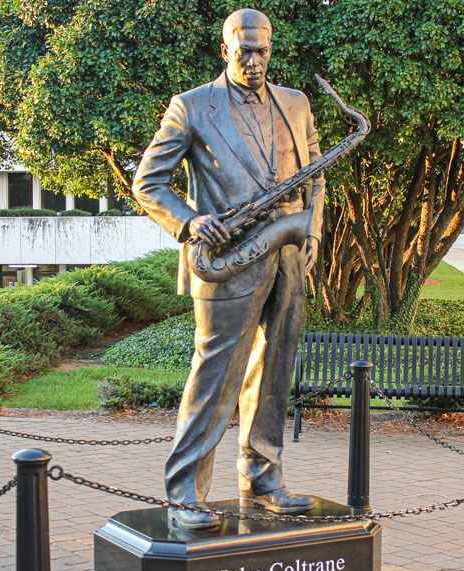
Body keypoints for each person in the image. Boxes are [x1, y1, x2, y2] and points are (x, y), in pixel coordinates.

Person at [132, 8, 325, 529]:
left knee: (274, 376)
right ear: (225, 49)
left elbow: (314, 175)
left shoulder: (296, 103)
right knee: (214, 379)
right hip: (224, 263)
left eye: (262, 50)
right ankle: (185, 493)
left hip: (287, 258)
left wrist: (312, 230)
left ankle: (264, 480)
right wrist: (191, 222)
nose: (253, 59)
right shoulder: (191, 107)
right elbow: (148, 183)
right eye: (243, 49)